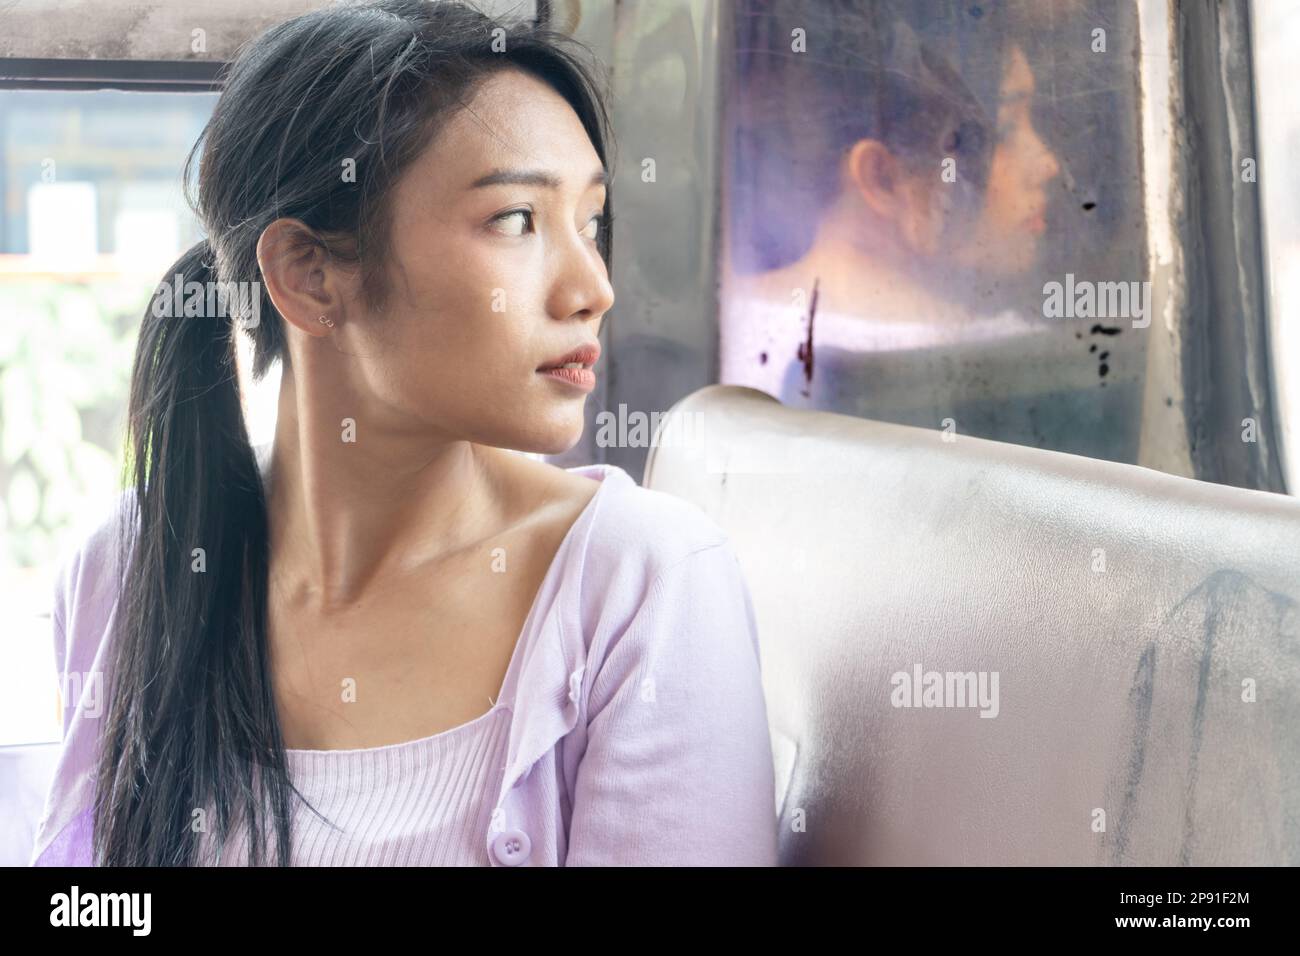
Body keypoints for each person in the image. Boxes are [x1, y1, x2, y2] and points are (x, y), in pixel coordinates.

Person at [30, 0, 777, 867]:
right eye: (516, 220)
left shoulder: (642, 585)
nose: (592, 286)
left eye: (592, 223)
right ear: (309, 277)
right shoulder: (125, 568)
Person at [723, 0, 1083, 442]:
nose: (1048, 164)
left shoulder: (721, 338)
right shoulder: (1023, 367)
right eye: (1005, 131)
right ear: (883, 179)